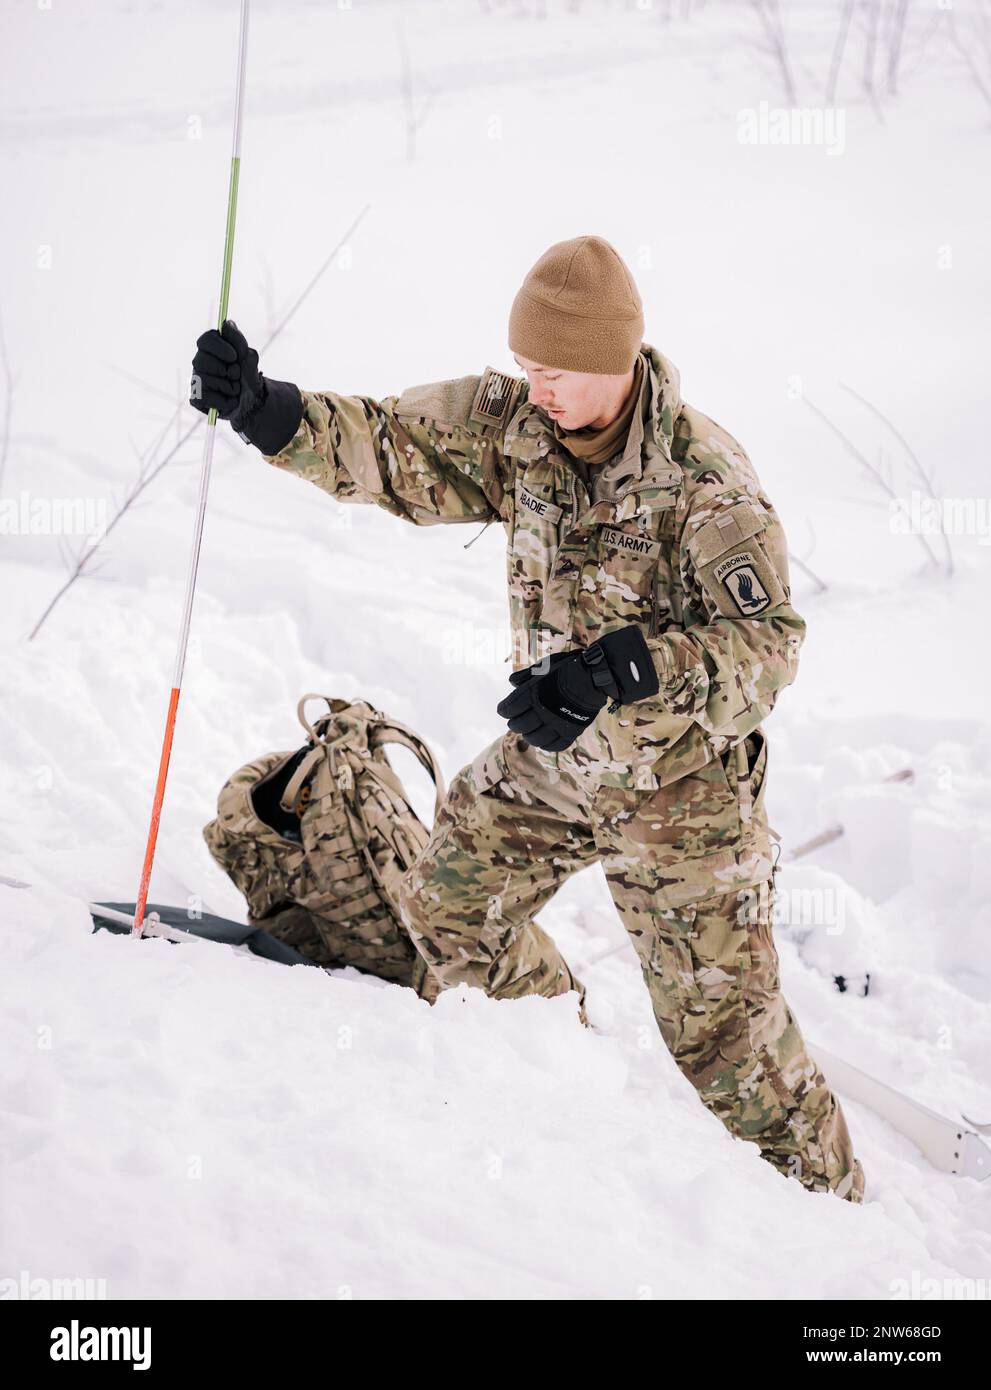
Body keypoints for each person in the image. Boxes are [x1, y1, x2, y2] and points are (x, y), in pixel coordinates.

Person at [190, 234, 865, 1203]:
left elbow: (766, 650)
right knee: (449, 897)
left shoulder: (701, 480)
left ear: (612, 361)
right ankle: (559, 1064)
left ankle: (843, 1223)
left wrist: (621, 668)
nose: (534, 388)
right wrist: (266, 412)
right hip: (557, 759)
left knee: (728, 1056)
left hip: (682, 799)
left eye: (552, 372)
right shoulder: (517, 430)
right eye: (525, 368)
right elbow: (392, 444)